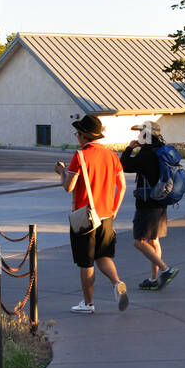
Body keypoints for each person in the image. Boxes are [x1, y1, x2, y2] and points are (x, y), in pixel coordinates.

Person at [54, 114, 128, 314]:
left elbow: (68, 187)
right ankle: (117, 283)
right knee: (103, 256)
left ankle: (88, 304)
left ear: (84, 136)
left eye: (78, 133)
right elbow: (122, 186)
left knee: (86, 262)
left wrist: (61, 172)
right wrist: (114, 210)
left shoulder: (80, 156)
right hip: (106, 216)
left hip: (84, 217)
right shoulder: (112, 156)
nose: (77, 137)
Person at [121, 120, 178, 291]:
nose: (138, 136)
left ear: (147, 135)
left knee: (139, 241)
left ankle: (165, 269)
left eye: (140, 133)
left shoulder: (146, 154)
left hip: (147, 205)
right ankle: (153, 279)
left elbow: (125, 165)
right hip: (161, 201)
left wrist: (130, 148)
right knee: (154, 240)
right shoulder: (161, 151)